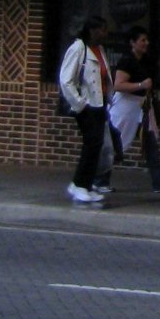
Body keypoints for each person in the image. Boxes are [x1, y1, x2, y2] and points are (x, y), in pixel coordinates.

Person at [107, 27, 160, 194]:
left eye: (146, 40)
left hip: (143, 105)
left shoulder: (147, 60)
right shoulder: (126, 61)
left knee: (150, 142)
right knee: (117, 145)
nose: (146, 43)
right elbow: (118, 85)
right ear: (133, 43)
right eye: (142, 40)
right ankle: (99, 179)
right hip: (126, 106)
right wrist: (140, 85)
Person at [58, 16, 112, 206]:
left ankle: (83, 185)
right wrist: (80, 104)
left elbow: (104, 78)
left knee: (95, 146)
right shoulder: (79, 49)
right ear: (93, 30)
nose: (105, 33)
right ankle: (80, 186)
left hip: (100, 104)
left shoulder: (100, 50)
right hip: (87, 106)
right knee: (92, 145)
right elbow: (66, 79)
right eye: (103, 29)